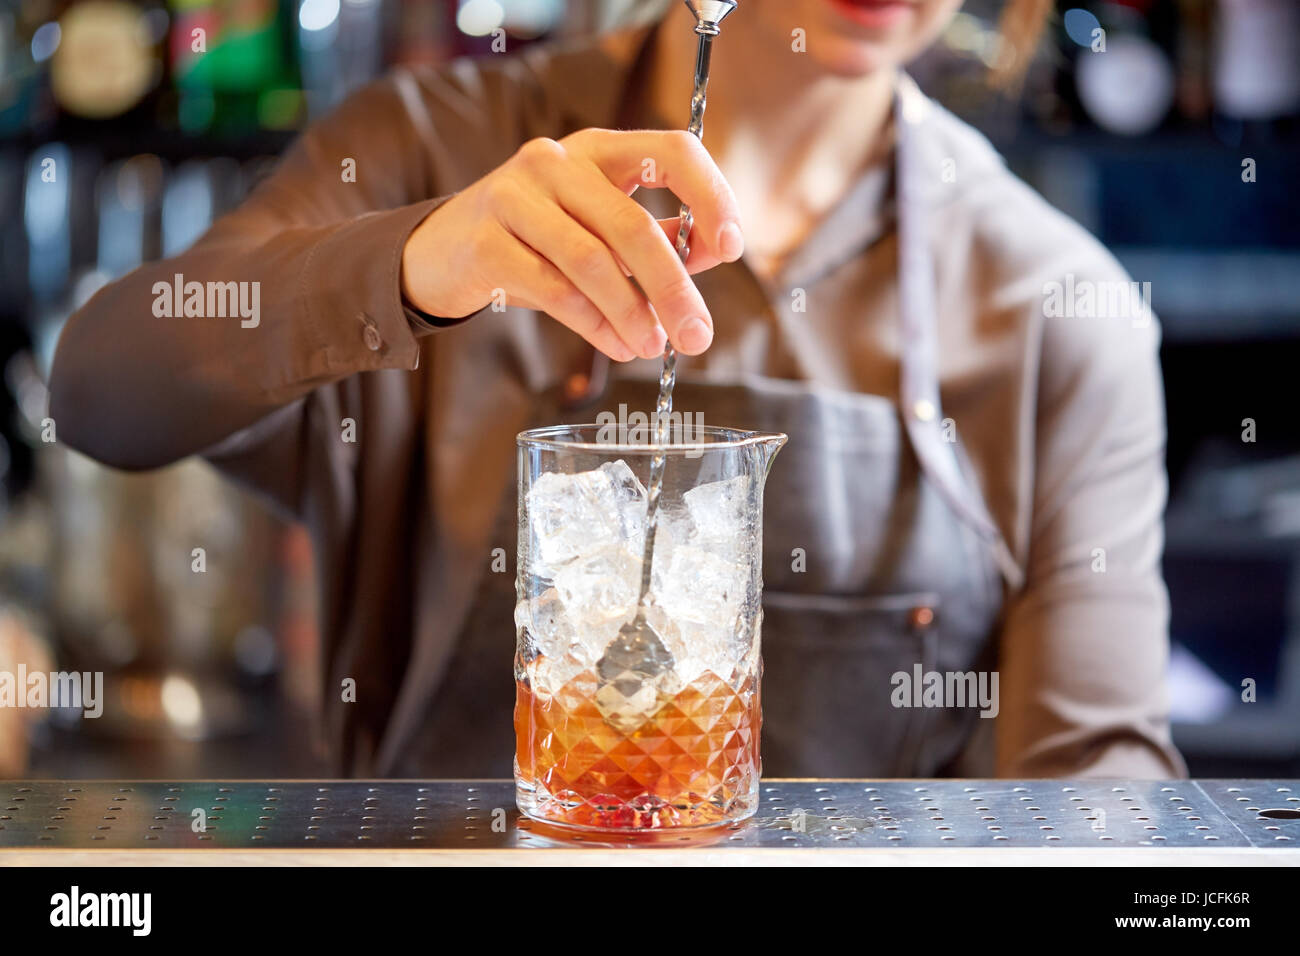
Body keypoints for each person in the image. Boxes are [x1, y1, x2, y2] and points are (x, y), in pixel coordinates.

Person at [48, 0, 1186, 779]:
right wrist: (411, 264)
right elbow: (101, 389)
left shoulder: (1052, 305)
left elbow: (1092, 792)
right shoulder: (432, 148)